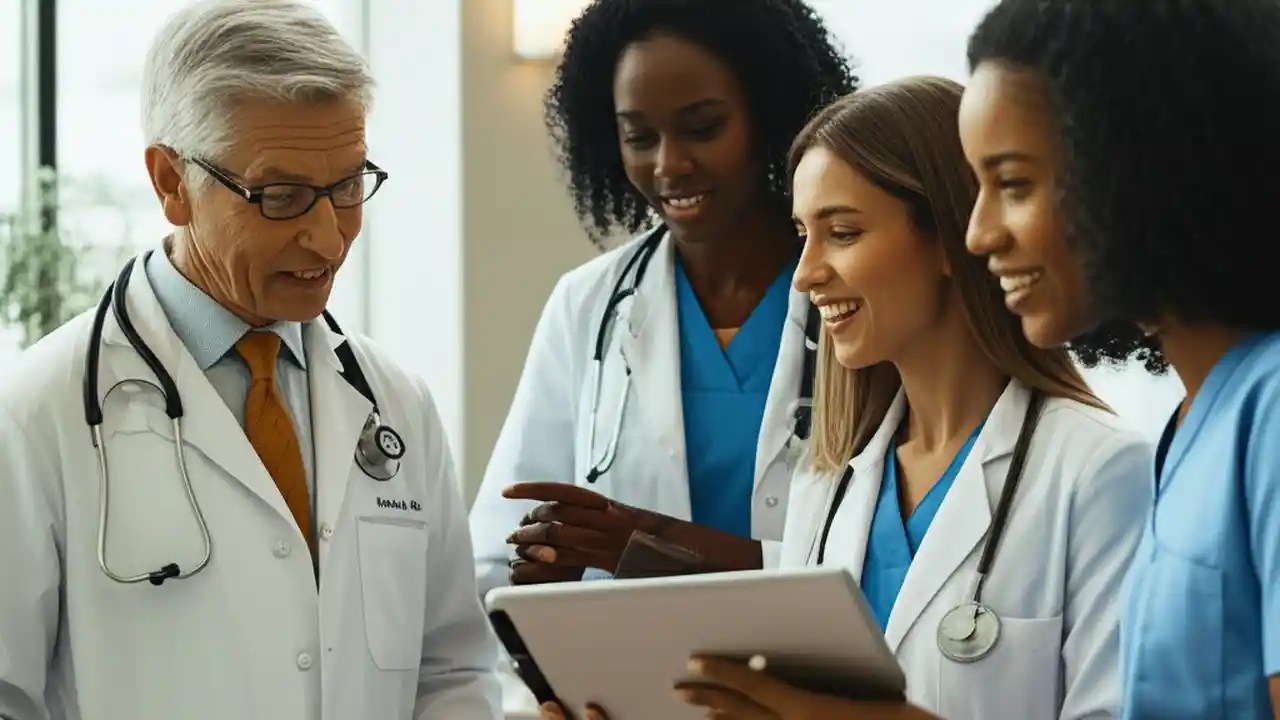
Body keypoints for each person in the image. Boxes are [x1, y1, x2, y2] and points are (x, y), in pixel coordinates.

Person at [545, 76, 1153, 720]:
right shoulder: (829, 482)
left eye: (842, 232)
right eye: (802, 233)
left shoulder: (1100, 472)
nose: (805, 275)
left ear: (952, 235)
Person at [0, 2, 500, 718]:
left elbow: (452, 670)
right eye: (282, 197)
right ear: (172, 182)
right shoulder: (34, 417)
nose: (329, 240)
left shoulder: (395, 404)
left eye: (349, 187)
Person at [469, 0, 858, 594]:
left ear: (770, 114)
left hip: (810, 671)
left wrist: (654, 546)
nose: (669, 165)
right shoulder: (589, 305)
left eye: (703, 129)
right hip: (623, 679)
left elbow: (882, 561)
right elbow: (498, 557)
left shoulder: (852, 293)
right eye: (639, 137)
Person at [961, 1, 1280, 717]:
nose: (979, 234)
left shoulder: (1272, 414)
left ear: (1135, 169)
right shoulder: (1193, 420)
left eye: (1012, 184)